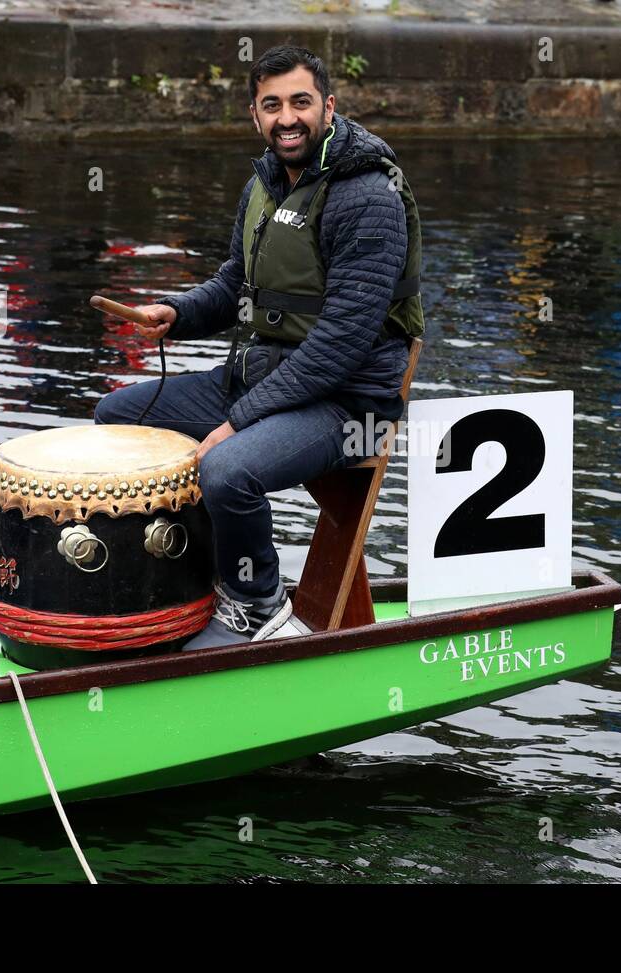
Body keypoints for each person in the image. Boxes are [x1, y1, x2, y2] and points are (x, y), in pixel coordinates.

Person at [94, 45, 423, 649]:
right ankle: (185, 578)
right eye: (272, 106)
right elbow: (233, 284)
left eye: (300, 102)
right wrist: (175, 313)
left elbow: (341, 343)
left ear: (329, 105)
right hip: (259, 377)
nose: (287, 118)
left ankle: (256, 603)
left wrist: (238, 421)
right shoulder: (264, 183)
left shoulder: (368, 196)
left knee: (226, 468)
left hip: (347, 405)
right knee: (115, 418)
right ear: (255, 115)